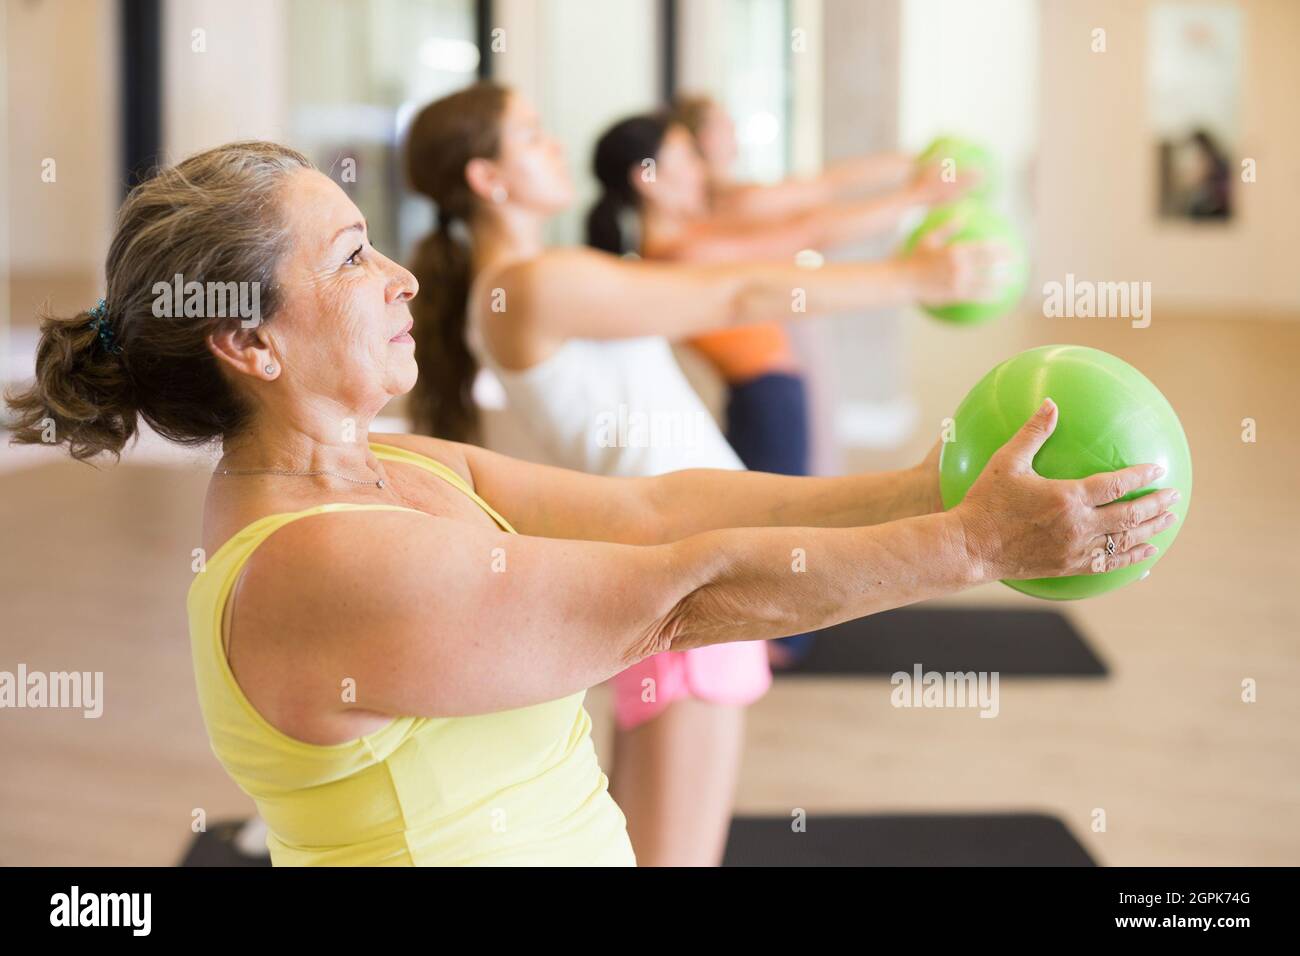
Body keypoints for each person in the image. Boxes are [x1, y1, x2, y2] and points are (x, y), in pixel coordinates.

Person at [5, 139, 1173, 866]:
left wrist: (927, 484)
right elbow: (672, 597)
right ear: (248, 339)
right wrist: (966, 544)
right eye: (354, 257)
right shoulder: (314, 571)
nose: (401, 277)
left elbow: (659, 513)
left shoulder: (403, 469)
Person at [407, 83, 1048, 867]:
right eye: (532, 134)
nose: (556, 145)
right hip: (686, 578)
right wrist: (914, 277)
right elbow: (732, 292)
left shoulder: (527, 280)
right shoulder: (531, 285)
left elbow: (746, 276)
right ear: (486, 178)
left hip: (671, 570)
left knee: (640, 846)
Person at [590, 109, 975, 667]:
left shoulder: (689, 237)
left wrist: (914, 184)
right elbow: (805, 233)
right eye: (686, 157)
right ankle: (760, 654)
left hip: (767, 396)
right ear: (648, 177)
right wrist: (914, 197)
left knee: (772, 529)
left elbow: (813, 206)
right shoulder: (681, 253)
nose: (702, 169)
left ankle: (759, 648)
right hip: (766, 399)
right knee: (781, 534)